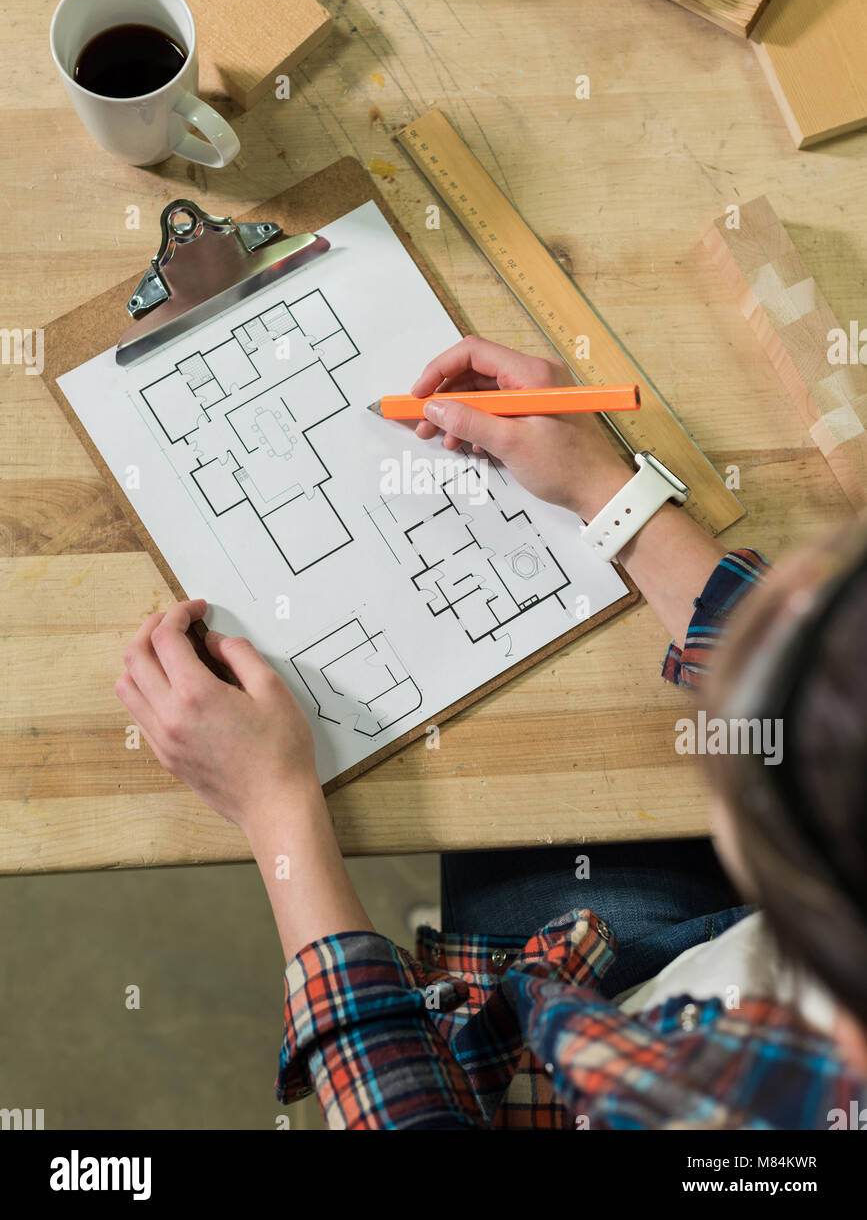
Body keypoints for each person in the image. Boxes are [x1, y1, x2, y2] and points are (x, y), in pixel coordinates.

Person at [114, 336, 867, 1129]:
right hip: (696, 954)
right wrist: (607, 491)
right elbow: (812, 703)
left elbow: (407, 1115)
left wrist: (274, 808)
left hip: (546, 1059)